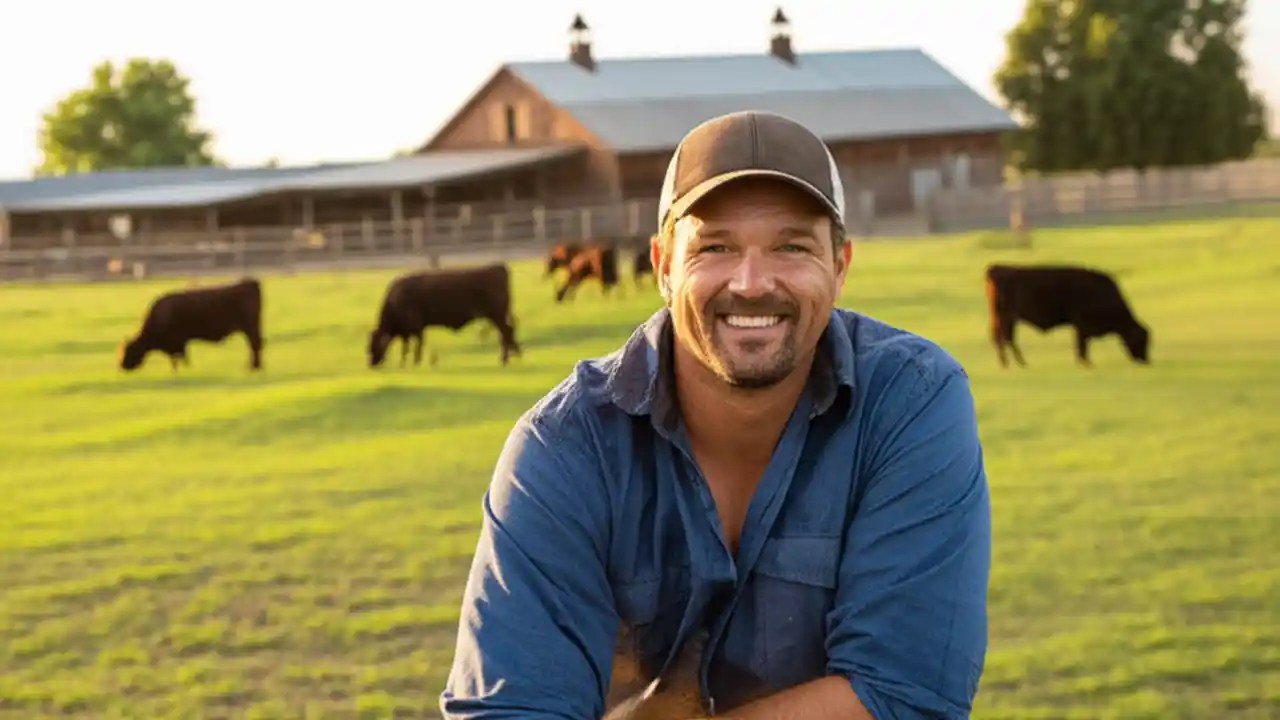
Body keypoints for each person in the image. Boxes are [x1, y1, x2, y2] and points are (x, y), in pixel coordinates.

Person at [440, 110, 992, 719]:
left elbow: (906, 696)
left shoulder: (910, 402)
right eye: (715, 247)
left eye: (791, 247)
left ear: (839, 267)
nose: (752, 283)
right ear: (663, 266)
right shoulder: (565, 448)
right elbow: (509, 709)